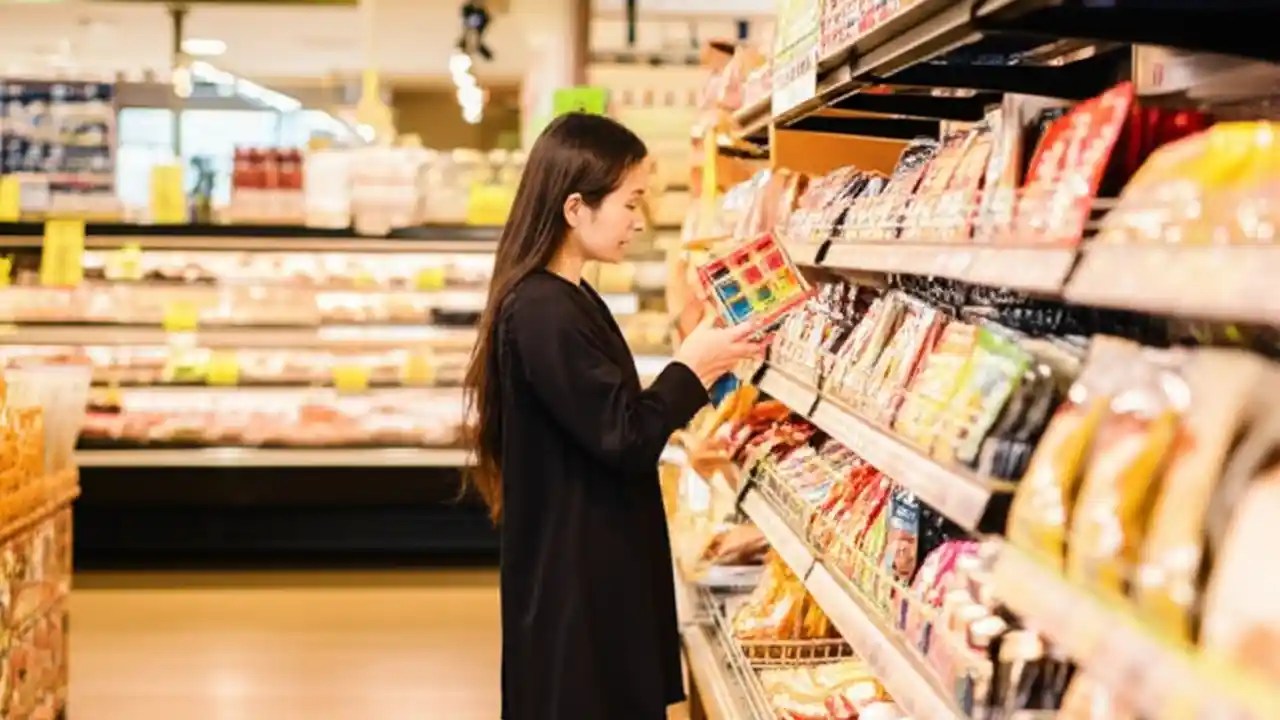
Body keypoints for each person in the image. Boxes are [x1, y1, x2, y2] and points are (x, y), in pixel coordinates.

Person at [464, 112, 764, 720]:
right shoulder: (543, 310)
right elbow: (624, 434)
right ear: (576, 208)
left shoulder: (567, 297)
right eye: (630, 202)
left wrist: (704, 364)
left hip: (590, 569)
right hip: (579, 586)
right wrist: (692, 367)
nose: (638, 220)